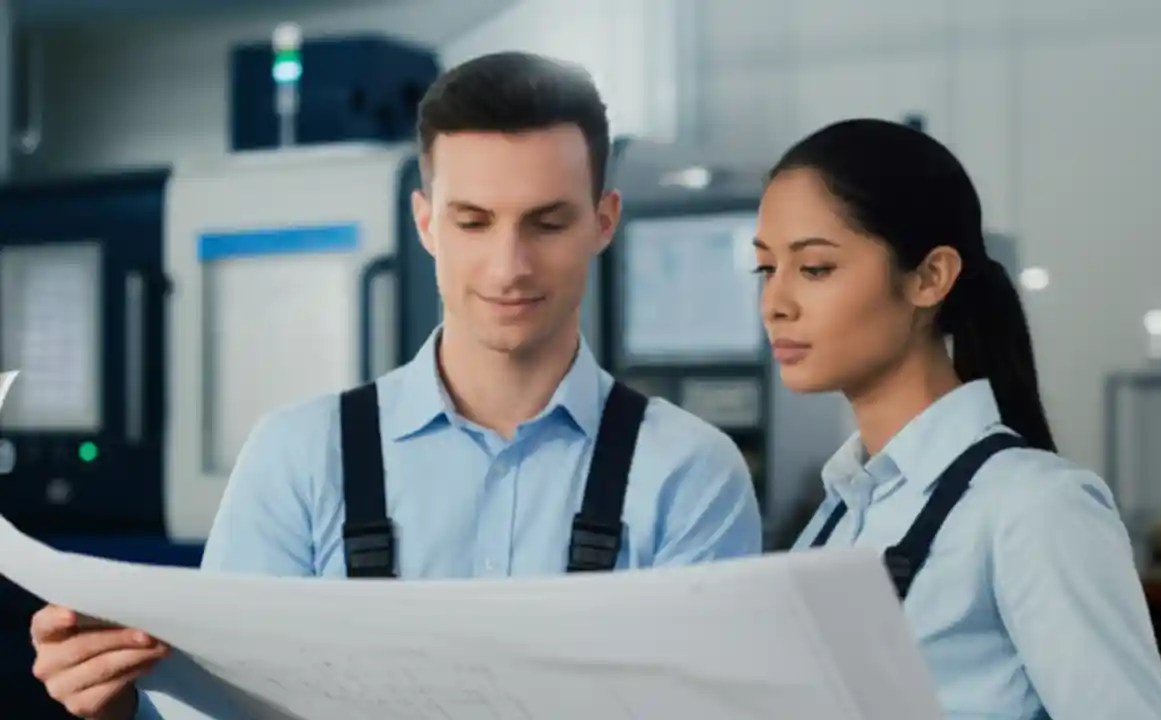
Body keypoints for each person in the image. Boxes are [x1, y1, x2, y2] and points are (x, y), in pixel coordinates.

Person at [31, 51, 762, 720]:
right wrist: (117, 703)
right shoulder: (298, 459)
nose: (508, 267)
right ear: (425, 223)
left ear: (603, 222)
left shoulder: (689, 475)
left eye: (546, 223)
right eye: (473, 222)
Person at [753, 118, 1161, 719]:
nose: (774, 303)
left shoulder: (1033, 507)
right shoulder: (839, 513)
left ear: (930, 277)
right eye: (765, 269)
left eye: (815, 268)